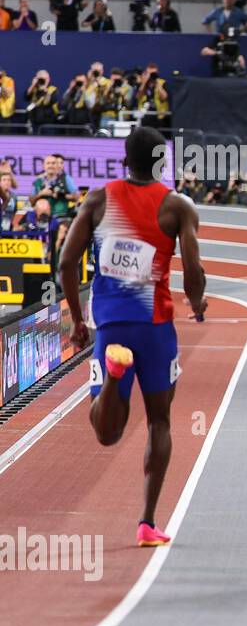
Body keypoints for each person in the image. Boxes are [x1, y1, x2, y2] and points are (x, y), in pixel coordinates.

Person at [58, 127, 208, 548]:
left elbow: (67, 263)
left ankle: (111, 377)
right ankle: (146, 522)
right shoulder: (177, 206)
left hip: (110, 325)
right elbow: (193, 271)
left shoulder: (98, 200)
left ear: (123, 160)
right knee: (160, 420)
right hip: (156, 328)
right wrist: (197, 303)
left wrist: (76, 318)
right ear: (162, 164)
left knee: (107, 433)